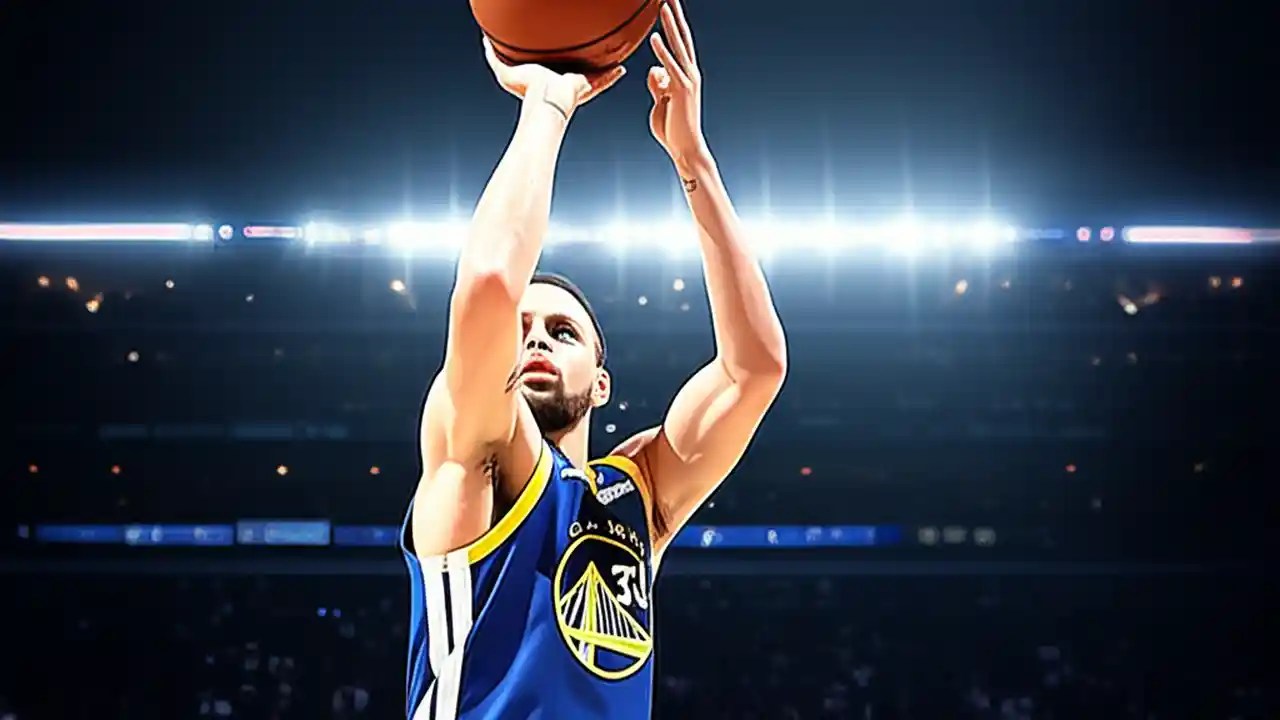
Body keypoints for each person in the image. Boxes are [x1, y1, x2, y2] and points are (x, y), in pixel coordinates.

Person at [400, 1, 787, 717]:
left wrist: (692, 158)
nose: (537, 338)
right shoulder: (474, 450)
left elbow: (755, 369)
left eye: (563, 331)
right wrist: (548, 100)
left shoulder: (634, 498)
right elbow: (487, 284)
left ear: (602, 383)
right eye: (523, 329)